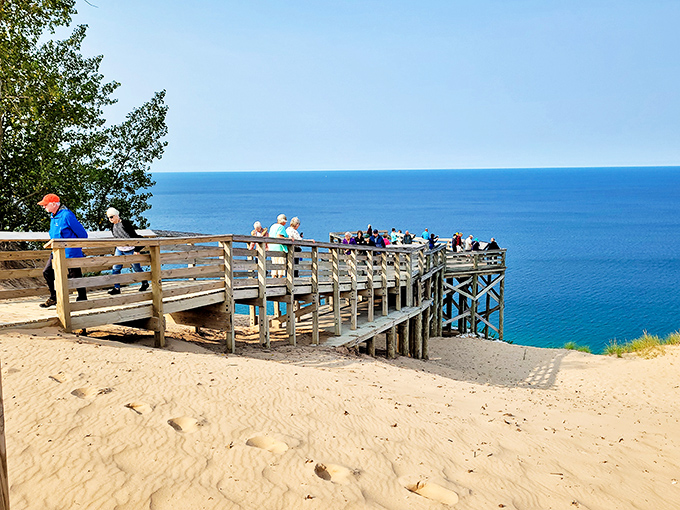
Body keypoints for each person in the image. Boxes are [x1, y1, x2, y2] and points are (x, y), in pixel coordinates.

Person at [37, 193, 88, 307]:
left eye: (45, 205)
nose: (44, 207)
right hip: (56, 250)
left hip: (70, 251)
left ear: (54, 204)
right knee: (47, 272)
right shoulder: (53, 216)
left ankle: (82, 297)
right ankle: (54, 297)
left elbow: (82, 234)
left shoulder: (67, 215)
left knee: (75, 274)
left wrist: (74, 246)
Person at [107, 207, 148, 295]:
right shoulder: (112, 226)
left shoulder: (125, 223)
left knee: (136, 267)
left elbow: (134, 235)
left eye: (111, 217)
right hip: (119, 249)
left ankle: (145, 282)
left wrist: (137, 249)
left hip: (130, 249)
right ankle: (116, 288)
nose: (110, 219)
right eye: (109, 218)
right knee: (115, 268)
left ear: (117, 215)